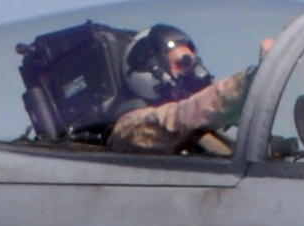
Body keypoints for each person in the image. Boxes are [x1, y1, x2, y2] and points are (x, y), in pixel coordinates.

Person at [107, 26, 258, 156]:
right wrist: (247, 81)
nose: (196, 71)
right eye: (182, 63)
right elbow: (180, 117)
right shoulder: (129, 127)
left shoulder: (202, 127)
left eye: (194, 63)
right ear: (150, 72)